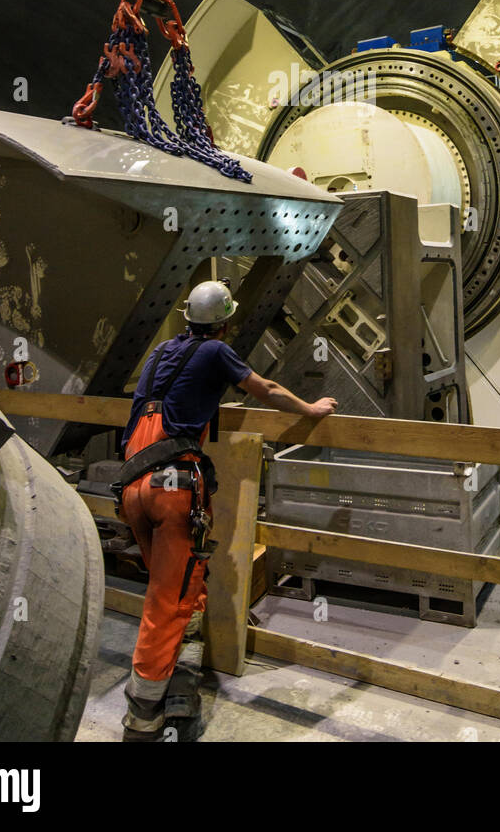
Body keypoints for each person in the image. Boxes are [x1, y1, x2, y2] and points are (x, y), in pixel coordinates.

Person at [117, 279, 337, 741]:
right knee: (168, 601)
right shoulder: (216, 353)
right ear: (224, 322)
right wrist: (310, 409)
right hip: (174, 486)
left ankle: (181, 686)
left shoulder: (159, 356)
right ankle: (142, 715)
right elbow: (267, 387)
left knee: (184, 585)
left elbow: (146, 411)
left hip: (133, 483)